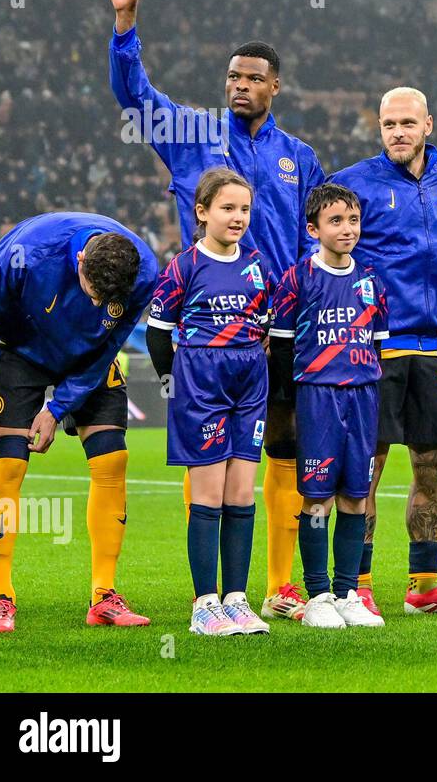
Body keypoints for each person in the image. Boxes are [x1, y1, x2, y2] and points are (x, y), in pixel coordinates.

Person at [103, 0, 327, 620]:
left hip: (279, 329)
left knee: (280, 450)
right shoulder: (192, 133)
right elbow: (132, 94)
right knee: (215, 468)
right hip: (210, 332)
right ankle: (213, 598)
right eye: (233, 75)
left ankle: (278, 586)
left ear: (275, 86)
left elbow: (313, 242)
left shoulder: (300, 158)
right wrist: (125, 25)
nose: (239, 84)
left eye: (253, 77)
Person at [0, 212, 158, 633]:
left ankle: (103, 596)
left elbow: (110, 343)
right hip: (20, 351)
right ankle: (1, 597)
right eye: (93, 293)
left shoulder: (144, 271)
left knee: (113, 461)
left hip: (90, 358)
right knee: (10, 464)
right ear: (79, 265)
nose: (97, 305)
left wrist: (58, 408)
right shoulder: (25, 254)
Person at [331, 87, 437, 616]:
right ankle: (358, 584)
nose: (397, 132)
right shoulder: (352, 182)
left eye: (407, 123)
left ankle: (423, 584)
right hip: (374, 346)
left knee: (434, 465)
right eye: (388, 123)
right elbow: (327, 252)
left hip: (434, 346)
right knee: (366, 466)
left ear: (429, 125)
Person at [145, 168, 274, 635]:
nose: (237, 217)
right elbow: (159, 334)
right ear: (202, 213)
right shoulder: (183, 267)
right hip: (200, 381)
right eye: (227, 208)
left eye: (243, 209)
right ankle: (205, 604)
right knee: (208, 497)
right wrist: (173, 383)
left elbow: (267, 325)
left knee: (241, 494)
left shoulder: (259, 265)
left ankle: (237, 599)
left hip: (249, 382)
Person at [268, 184, 389, 629]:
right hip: (317, 397)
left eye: (353, 220)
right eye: (335, 220)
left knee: (356, 496)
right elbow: (281, 350)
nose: (346, 229)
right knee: (317, 497)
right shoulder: (297, 279)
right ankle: (318, 594)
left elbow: (378, 347)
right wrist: (290, 403)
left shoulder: (372, 282)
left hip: (362, 397)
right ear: (313, 228)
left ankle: (347, 592)